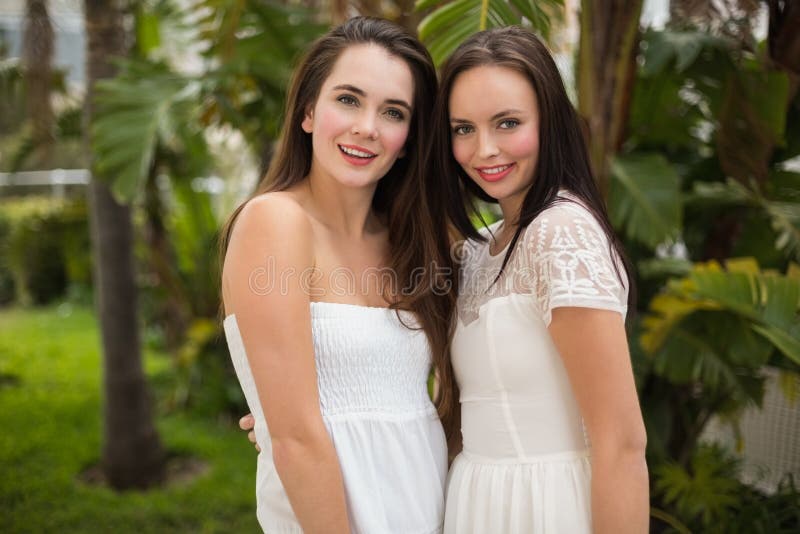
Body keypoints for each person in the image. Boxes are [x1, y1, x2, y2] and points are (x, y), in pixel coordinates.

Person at [220, 17, 457, 534]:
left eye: (392, 112)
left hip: (427, 507)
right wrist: (276, 425)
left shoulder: (411, 241)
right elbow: (298, 438)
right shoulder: (275, 222)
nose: (367, 127)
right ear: (308, 112)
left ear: (409, 138)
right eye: (348, 100)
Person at [427, 26, 649, 533]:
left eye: (507, 123)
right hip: (478, 502)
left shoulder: (562, 231)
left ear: (549, 121)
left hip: (547, 507)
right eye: (463, 128)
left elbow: (621, 442)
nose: (484, 150)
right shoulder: (481, 250)